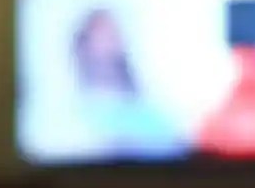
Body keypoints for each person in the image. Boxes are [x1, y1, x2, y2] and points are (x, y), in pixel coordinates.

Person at [70, 9, 183, 160]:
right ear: (84, 47)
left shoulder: (145, 111)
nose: (109, 46)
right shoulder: (70, 112)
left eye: (112, 37)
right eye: (101, 38)